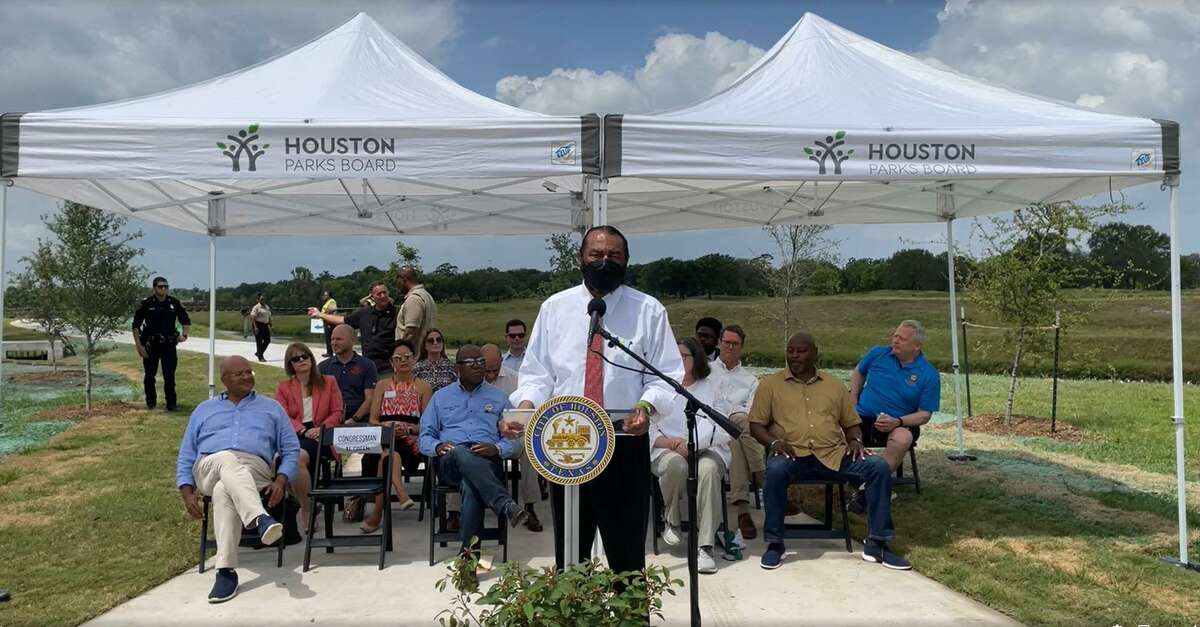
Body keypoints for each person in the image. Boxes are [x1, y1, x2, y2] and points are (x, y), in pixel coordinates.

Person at [505, 225, 682, 575]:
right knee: (571, 555)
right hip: (565, 443)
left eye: (614, 256)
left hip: (624, 440)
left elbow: (667, 374)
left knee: (627, 556)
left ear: (627, 262)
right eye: (596, 255)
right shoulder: (555, 308)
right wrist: (525, 408)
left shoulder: (648, 310)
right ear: (580, 259)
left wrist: (645, 407)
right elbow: (538, 374)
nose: (605, 262)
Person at [748, 332, 909, 571]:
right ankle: (775, 543)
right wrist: (773, 444)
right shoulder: (770, 385)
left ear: (814, 353)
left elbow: (851, 424)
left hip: (833, 455)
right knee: (775, 469)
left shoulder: (833, 385)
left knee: (878, 467)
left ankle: (878, 543)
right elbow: (755, 425)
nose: (794, 356)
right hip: (793, 455)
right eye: (790, 351)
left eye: (800, 351)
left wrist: (855, 440)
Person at [176, 356, 300, 603]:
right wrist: (186, 491)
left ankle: (225, 572)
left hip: (254, 468)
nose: (246, 377)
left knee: (224, 490)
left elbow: (291, 449)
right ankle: (261, 518)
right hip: (209, 465)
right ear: (223, 380)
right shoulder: (204, 409)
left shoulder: (271, 408)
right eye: (238, 374)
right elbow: (187, 454)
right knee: (225, 459)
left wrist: (282, 480)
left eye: (249, 372)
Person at [419, 344, 527, 571]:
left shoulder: (498, 398)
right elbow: (425, 437)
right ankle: (504, 504)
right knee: (460, 451)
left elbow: (515, 439)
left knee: (472, 484)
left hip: (487, 460)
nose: (480, 367)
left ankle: (468, 559)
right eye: (472, 363)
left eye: (481, 362)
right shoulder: (441, 397)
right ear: (458, 368)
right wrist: (438, 446)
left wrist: (497, 449)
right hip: (450, 462)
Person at [649, 337, 731, 574]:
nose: (679, 361)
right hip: (667, 449)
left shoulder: (712, 386)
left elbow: (723, 426)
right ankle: (672, 519)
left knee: (708, 470)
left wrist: (695, 444)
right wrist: (670, 443)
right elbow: (648, 426)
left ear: (696, 359)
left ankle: (705, 546)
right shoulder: (659, 388)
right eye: (675, 357)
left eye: (684, 356)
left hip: (706, 448)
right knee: (676, 466)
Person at [848, 320, 940, 513]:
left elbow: (924, 415)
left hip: (900, 422)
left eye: (902, 338)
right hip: (863, 416)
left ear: (916, 346)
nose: (895, 340)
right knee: (835, 429)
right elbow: (859, 371)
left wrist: (898, 421)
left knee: (903, 437)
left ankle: (866, 488)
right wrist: (853, 398)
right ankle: (864, 481)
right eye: (895, 336)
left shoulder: (928, 374)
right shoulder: (878, 354)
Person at [360, 340, 429, 533]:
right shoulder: (382, 386)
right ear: (392, 362)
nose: (403, 361)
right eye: (398, 358)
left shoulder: (423, 387)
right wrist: (386, 425)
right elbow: (373, 420)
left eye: (407, 357)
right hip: (384, 435)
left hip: (408, 440)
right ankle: (400, 491)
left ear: (414, 359)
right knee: (389, 451)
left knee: (389, 455)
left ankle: (377, 514)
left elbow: (426, 423)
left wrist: (408, 429)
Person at [274, 342, 344, 531]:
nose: (302, 361)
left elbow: (338, 411)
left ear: (311, 359)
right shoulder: (284, 387)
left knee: (297, 459)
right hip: (295, 433)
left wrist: (321, 429)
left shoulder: (328, 382)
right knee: (281, 460)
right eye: (296, 359)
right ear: (291, 365)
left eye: (305, 356)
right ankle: (307, 504)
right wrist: (303, 431)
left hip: (322, 434)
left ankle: (306, 509)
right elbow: (282, 416)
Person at [709, 324, 763, 540]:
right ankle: (763, 480)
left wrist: (731, 417)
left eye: (735, 344)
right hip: (709, 430)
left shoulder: (751, 380)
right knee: (737, 424)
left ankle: (743, 510)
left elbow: (751, 414)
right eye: (727, 342)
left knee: (736, 431)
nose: (730, 347)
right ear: (719, 343)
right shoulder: (705, 372)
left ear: (742, 347)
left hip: (737, 434)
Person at [481, 343, 542, 532]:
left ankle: (530, 507)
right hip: (481, 435)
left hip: (510, 435)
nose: (490, 375)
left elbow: (526, 412)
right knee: (460, 448)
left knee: (528, 446)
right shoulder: (472, 379)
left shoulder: (515, 380)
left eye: (494, 370)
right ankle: (454, 512)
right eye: (486, 371)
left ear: (501, 361)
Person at [310, 281, 397, 374]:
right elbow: (342, 320)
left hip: (390, 367)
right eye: (379, 294)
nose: (383, 296)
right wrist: (319, 314)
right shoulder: (364, 313)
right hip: (369, 366)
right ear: (372, 297)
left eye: (385, 292)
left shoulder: (396, 313)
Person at [132, 276, 191, 411]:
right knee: (149, 376)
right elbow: (135, 326)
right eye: (160, 286)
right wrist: (139, 346)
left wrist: (184, 335)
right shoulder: (146, 304)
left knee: (169, 376)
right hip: (150, 345)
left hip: (169, 345)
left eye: (166, 286)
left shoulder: (174, 303)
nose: (163, 289)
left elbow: (185, 320)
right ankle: (151, 403)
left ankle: (171, 404)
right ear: (154, 288)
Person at [318, 324, 379, 424]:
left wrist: (354, 419)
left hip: (360, 421)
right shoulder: (323, 367)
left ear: (353, 340)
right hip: (330, 420)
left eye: (339, 339)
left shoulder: (367, 365)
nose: (334, 343)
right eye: (332, 339)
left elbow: (370, 399)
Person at [395, 265, 438, 347]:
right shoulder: (426, 295)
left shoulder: (414, 299)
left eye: (397, 281)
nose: (397, 286)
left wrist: (400, 350)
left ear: (403, 279)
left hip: (414, 355)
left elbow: (411, 332)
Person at [414, 328, 457, 392]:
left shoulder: (452, 367)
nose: (435, 343)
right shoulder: (417, 368)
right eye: (431, 340)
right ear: (424, 345)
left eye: (439, 340)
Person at [249, 294, 273, 362]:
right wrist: (256, 327)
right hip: (258, 325)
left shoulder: (267, 307)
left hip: (265, 325)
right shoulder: (256, 307)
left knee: (267, 340)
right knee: (259, 341)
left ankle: (258, 353)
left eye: (263, 299)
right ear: (258, 300)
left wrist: (270, 322)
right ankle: (261, 357)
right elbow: (252, 317)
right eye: (261, 299)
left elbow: (269, 315)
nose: (263, 300)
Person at [319, 290, 338, 357]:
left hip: (329, 322)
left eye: (325, 295)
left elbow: (333, 310)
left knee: (330, 337)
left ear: (329, 296)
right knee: (327, 338)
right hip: (326, 321)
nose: (323, 296)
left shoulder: (331, 301)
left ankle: (331, 353)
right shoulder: (327, 302)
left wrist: (324, 315)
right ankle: (329, 352)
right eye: (323, 295)